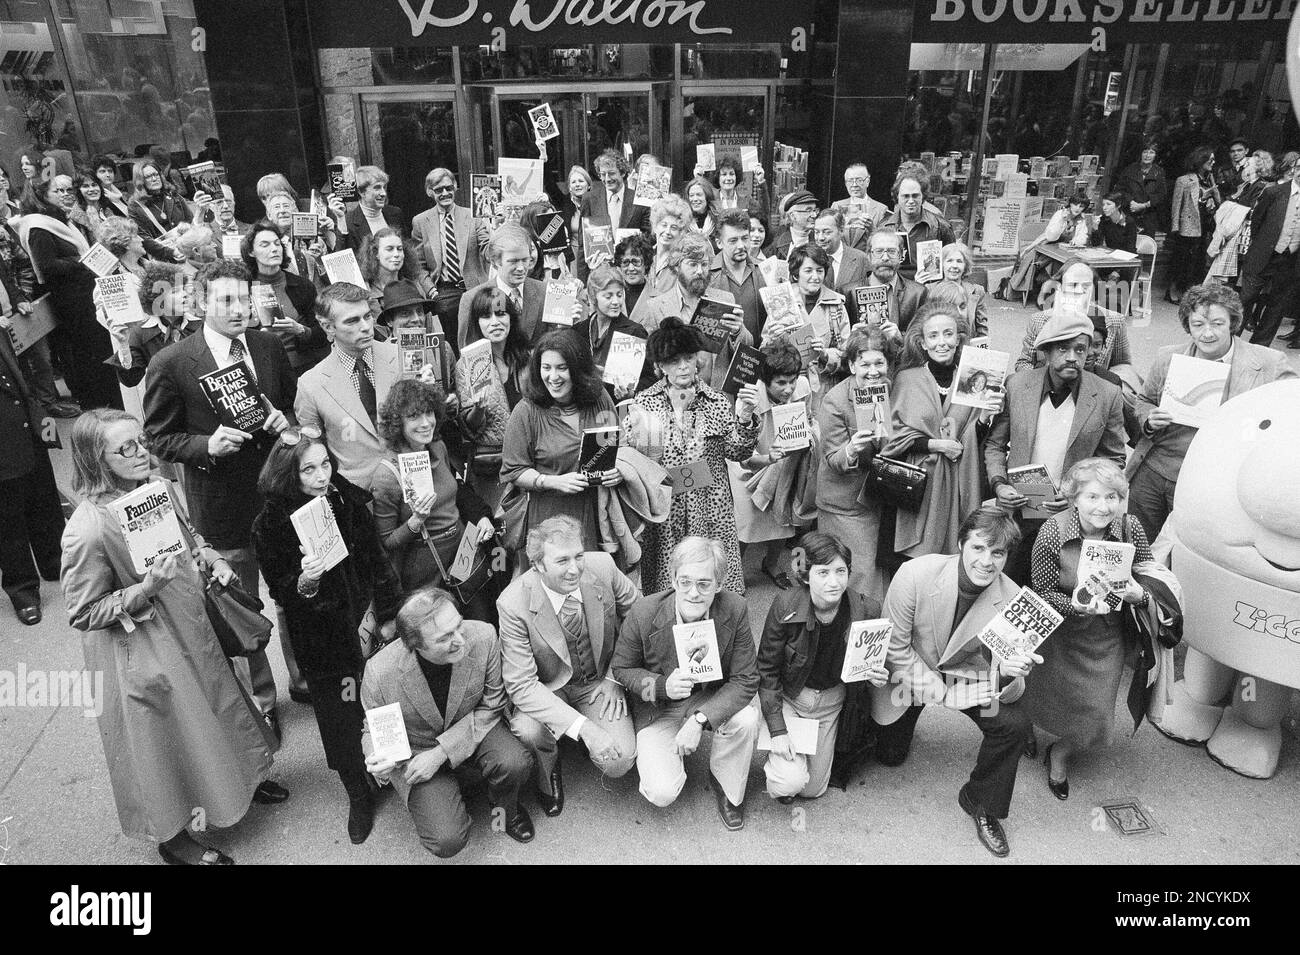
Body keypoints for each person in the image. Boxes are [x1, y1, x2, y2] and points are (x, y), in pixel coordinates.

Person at [61, 409, 286, 865]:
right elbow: (84, 612)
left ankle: (242, 778)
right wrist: (144, 590)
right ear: (95, 459)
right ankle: (174, 840)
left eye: (141, 442)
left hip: (192, 621)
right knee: (170, 738)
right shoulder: (85, 530)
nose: (143, 452)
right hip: (144, 645)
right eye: (126, 448)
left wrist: (211, 559)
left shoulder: (158, 488)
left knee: (221, 700)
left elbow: (191, 537)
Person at [144, 258, 304, 725]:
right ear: (200, 302)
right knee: (239, 605)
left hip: (279, 497)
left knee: (294, 592)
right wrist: (204, 445)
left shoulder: (269, 345)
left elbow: (290, 405)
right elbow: (156, 436)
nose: (238, 309)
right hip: (223, 507)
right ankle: (261, 702)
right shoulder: (171, 363)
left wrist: (285, 423)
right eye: (226, 300)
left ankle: (304, 677)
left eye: (244, 299)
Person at [252, 426, 399, 844]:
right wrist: (306, 581)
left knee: (381, 702)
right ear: (288, 475)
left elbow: (377, 561)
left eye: (325, 464)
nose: (321, 476)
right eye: (308, 470)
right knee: (340, 718)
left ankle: (393, 774)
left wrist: (388, 614)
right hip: (323, 640)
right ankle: (357, 793)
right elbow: (280, 590)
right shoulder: (270, 524)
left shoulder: (346, 500)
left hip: (368, 623)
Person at [876, 506, 1040, 857]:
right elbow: (894, 649)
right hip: (913, 673)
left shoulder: (1013, 600)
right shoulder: (915, 574)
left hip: (969, 678)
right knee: (888, 753)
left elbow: (1010, 693)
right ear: (961, 544)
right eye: (978, 548)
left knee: (1013, 724)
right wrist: (943, 695)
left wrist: (1010, 672)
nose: (987, 561)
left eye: (998, 553)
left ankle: (982, 804)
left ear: (1007, 556)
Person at [362, 588, 537, 856]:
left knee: (514, 762)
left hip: (474, 728)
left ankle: (504, 810)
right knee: (447, 841)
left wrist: (442, 753)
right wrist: (377, 756)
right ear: (414, 644)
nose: (460, 641)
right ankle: (449, 797)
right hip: (417, 751)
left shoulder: (484, 635)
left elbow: (492, 705)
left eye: (458, 626)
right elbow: (373, 728)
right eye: (445, 637)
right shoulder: (379, 671)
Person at [1023, 458, 1155, 800]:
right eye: (1093, 497)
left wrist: (1140, 594)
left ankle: (1061, 754)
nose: (1103, 506)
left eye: (1112, 497)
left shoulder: (1130, 527)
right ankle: (1024, 729)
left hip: (1106, 634)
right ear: (1074, 498)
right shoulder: (1052, 531)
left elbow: (1151, 574)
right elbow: (1042, 591)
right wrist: (1075, 606)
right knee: (1044, 692)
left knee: (1096, 711)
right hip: (1061, 633)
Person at [610, 536, 761, 829]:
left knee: (747, 718)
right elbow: (622, 668)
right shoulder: (644, 610)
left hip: (708, 697)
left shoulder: (735, 608)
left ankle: (727, 786)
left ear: (719, 584)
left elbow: (746, 678)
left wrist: (699, 721)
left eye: (705, 584)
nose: (693, 593)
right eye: (685, 582)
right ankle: (674, 759)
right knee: (661, 792)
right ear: (673, 577)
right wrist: (660, 684)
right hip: (660, 708)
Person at [1127, 283, 1295, 540]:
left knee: (1192, 548)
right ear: (1188, 326)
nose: (1207, 333)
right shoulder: (1167, 357)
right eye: (1198, 324)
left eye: (1217, 323)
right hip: (1156, 469)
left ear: (1232, 323)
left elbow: (1291, 414)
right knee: (1138, 542)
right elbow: (1145, 400)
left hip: (1214, 477)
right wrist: (1149, 418)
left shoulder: (1269, 364)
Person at [499, 516, 640, 815]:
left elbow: (640, 617)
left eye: (578, 556)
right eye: (562, 560)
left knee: (619, 762)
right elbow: (521, 685)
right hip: (549, 689)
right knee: (527, 729)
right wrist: (586, 729)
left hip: (598, 681)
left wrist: (616, 677)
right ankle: (548, 766)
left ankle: (615, 723)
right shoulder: (511, 603)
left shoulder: (602, 566)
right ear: (538, 565)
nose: (575, 568)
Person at [985, 311, 1127, 584]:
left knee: (1056, 587)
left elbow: (1114, 459)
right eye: (1063, 348)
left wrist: (1078, 493)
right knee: (1010, 581)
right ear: (1047, 353)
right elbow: (995, 444)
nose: (1072, 356)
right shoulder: (1018, 385)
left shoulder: (1107, 394)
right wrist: (999, 485)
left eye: (1080, 349)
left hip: (1070, 514)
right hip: (1019, 509)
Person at [623, 318, 760, 595]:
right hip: (666, 508)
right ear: (660, 365)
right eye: (674, 361)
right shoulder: (644, 403)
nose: (683, 366)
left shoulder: (717, 401)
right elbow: (636, 457)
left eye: (688, 358)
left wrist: (745, 419)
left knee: (712, 583)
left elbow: (737, 451)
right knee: (667, 587)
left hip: (711, 507)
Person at [758, 532, 888, 801]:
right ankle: (779, 749)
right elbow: (767, 670)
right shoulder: (786, 605)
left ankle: (803, 755)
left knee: (812, 789)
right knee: (787, 783)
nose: (834, 581)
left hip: (831, 704)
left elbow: (872, 661)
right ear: (805, 576)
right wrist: (778, 730)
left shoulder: (868, 610)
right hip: (792, 699)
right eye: (823, 572)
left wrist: (877, 675)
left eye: (841, 571)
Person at [371, 378, 498, 619]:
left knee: (481, 618)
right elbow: (386, 543)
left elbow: (457, 493)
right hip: (427, 564)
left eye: (429, 413)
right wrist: (415, 522)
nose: (425, 422)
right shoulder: (386, 476)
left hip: (464, 546)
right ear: (397, 423)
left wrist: (480, 518)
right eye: (414, 416)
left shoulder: (438, 447)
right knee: (440, 629)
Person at [499, 328, 619, 550]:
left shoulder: (600, 398)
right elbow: (513, 471)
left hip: (598, 513)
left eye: (562, 368)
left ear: (578, 369)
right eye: (546, 368)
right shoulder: (525, 412)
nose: (553, 377)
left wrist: (617, 471)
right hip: (550, 517)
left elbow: (616, 445)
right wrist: (553, 481)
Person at [882, 302, 982, 559]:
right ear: (923, 343)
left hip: (956, 481)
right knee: (912, 562)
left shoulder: (974, 380)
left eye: (948, 334)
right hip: (917, 482)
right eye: (933, 335)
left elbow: (974, 435)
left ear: (959, 340)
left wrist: (987, 416)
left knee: (948, 560)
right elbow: (892, 436)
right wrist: (935, 445)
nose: (942, 342)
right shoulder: (907, 378)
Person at [16, 176, 122, 411]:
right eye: (59, 191)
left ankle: (108, 399)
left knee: (98, 347)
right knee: (87, 352)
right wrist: (82, 261)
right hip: (71, 300)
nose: (67, 194)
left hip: (85, 293)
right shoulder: (38, 226)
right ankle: (97, 404)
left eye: (69, 189)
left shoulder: (62, 220)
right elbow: (47, 266)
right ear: (42, 195)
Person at [816, 327, 899, 601]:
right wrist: (851, 449)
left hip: (877, 499)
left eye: (879, 363)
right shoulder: (835, 401)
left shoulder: (889, 390)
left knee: (875, 573)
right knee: (855, 577)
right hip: (844, 505)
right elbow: (832, 459)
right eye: (865, 364)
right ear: (852, 365)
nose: (873, 371)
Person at [295, 281, 402, 487]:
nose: (366, 327)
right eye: (352, 321)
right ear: (328, 327)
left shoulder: (400, 358)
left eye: (367, 316)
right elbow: (313, 452)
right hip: (359, 496)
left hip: (410, 486)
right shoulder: (311, 385)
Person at [731, 340, 811, 588]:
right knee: (747, 521)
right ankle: (733, 572)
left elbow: (810, 418)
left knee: (783, 519)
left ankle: (772, 564)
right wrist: (768, 459)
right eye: (781, 383)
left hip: (785, 461)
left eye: (793, 380)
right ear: (765, 381)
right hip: (750, 466)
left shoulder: (804, 387)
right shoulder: (749, 398)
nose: (789, 389)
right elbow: (743, 454)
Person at [629, 232, 751, 389]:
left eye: (704, 264)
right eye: (693, 264)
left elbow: (747, 348)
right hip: (676, 400)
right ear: (677, 266)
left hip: (718, 399)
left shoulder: (725, 299)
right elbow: (650, 362)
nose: (700, 271)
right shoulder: (656, 307)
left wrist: (737, 331)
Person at [0, 327, 62, 625]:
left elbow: (25, 376)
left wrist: (45, 424)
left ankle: (55, 562)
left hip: (30, 430)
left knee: (44, 501)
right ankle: (22, 590)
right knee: (7, 520)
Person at [454, 285, 529, 508]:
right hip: (491, 468)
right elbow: (469, 427)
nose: (495, 322)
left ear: (511, 317)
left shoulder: (528, 358)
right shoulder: (466, 366)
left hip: (529, 459)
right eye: (486, 316)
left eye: (501, 313)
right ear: (477, 323)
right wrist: (478, 409)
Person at [1014, 259, 1135, 386]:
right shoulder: (1039, 320)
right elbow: (1024, 362)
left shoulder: (1115, 321)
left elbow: (1122, 364)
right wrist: (1037, 385)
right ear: (1059, 287)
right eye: (1073, 285)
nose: (1079, 291)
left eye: (1086, 286)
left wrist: (1110, 389)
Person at [411, 168, 491, 350]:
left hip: (475, 288)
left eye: (448, 188)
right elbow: (418, 265)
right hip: (445, 293)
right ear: (430, 192)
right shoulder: (421, 222)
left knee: (480, 341)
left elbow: (488, 251)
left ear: (455, 187)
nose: (445, 193)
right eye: (439, 190)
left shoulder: (473, 216)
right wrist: (431, 291)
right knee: (454, 345)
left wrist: (494, 227)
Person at [763, 243, 850, 407]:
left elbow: (847, 353)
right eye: (808, 271)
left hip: (825, 386)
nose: (815, 277)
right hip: (788, 387)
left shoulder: (836, 304)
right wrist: (774, 338)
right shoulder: (781, 300)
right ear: (796, 274)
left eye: (820, 270)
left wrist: (825, 354)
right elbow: (764, 350)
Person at [241, 219, 326, 373]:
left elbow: (324, 332)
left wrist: (300, 330)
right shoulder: (242, 288)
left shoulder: (302, 286)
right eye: (265, 245)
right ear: (251, 252)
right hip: (262, 367)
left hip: (303, 366)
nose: (274, 249)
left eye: (277, 243)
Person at [106, 261, 201, 391]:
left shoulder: (202, 324)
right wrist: (123, 345)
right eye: (175, 291)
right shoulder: (140, 333)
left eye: (184, 289)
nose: (184, 294)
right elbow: (131, 379)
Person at [455, 224, 545, 350]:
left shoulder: (544, 292)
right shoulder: (471, 299)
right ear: (496, 261)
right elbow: (468, 354)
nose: (521, 268)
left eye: (525, 260)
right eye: (513, 261)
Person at [1237, 172, 1300, 346]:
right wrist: (1262, 246)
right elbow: (1257, 221)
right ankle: (1231, 342)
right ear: (1294, 170)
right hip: (1264, 255)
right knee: (1247, 298)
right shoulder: (1274, 192)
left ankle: (1260, 347)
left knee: (1277, 305)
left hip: (1291, 259)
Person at [578, 263, 650, 397]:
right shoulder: (579, 330)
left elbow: (649, 379)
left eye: (619, 295)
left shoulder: (633, 331)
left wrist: (631, 393)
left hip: (619, 410)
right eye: (608, 296)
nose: (616, 301)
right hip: (584, 407)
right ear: (594, 297)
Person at [1006, 193, 1091, 300]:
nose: (1078, 208)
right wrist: (1062, 221)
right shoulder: (1060, 214)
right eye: (1075, 204)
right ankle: (1051, 288)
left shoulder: (1081, 219)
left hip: (1066, 250)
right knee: (1041, 261)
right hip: (1048, 246)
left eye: (1081, 206)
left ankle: (1062, 291)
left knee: (1076, 263)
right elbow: (1051, 236)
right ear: (1070, 204)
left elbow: (1083, 236)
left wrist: (1076, 241)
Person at [1167, 146, 1221, 304]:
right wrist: (1175, 227)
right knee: (1181, 260)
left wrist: (1213, 190)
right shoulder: (1184, 180)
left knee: (1196, 261)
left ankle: (1188, 291)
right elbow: (1176, 205)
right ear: (1200, 160)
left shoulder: (1210, 179)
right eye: (1210, 160)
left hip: (1204, 225)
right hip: (1187, 226)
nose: (1213, 162)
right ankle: (1172, 289)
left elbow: (1219, 203)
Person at [877, 174, 955, 282]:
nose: (910, 201)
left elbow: (951, 263)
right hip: (895, 289)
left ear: (923, 196)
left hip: (929, 290)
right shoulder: (884, 227)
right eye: (905, 196)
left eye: (915, 196)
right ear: (897, 197)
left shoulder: (941, 226)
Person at [709, 208, 768, 342]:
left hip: (757, 357)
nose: (741, 245)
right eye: (733, 240)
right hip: (719, 358)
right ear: (719, 242)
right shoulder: (706, 274)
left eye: (745, 238)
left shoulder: (765, 271)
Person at [848, 229, 924, 333]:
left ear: (901, 255)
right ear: (869, 256)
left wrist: (901, 338)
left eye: (891, 251)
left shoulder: (918, 294)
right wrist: (851, 338)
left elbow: (923, 337)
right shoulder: (848, 293)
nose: (885, 258)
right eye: (879, 251)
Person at [359, 226, 432, 321]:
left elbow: (427, 322)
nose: (396, 254)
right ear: (375, 253)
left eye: (399, 249)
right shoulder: (366, 290)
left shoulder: (414, 286)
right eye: (389, 249)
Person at [126, 158, 190, 262]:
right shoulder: (135, 205)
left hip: (188, 249)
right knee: (180, 278)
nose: (154, 178)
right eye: (148, 177)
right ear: (140, 181)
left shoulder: (172, 194)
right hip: (165, 259)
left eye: (156, 174)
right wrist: (172, 253)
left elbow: (189, 219)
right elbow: (143, 239)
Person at [923, 242, 989, 340]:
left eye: (959, 261)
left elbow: (982, 329)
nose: (954, 266)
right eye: (949, 261)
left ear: (965, 266)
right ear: (941, 264)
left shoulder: (976, 291)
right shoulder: (928, 289)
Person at [637, 194, 692, 304]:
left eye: (674, 228)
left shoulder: (682, 262)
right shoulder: (644, 255)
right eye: (664, 225)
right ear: (655, 226)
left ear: (681, 232)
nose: (667, 231)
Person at [580, 149, 649, 235]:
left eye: (612, 173)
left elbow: (647, 236)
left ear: (623, 173)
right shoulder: (589, 199)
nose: (607, 179)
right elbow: (583, 240)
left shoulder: (639, 199)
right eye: (603, 174)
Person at [345, 165, 405, 251]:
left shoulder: (395, 213)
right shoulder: (349, 222)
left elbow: (406, 250)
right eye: (377, 188)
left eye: (384, 187)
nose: (383, 193)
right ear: (362, 192)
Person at [831, 162, 889, 251]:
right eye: (850, 180)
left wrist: (872, 229)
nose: (854, 185)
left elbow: (885, 243)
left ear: (867, 181)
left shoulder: (881, 209)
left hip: (866, 260)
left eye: (859, 180)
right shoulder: (837, 206)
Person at [1115, 141, 1169, 236]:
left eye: (1151, 152)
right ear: (1140, 154)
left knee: (1145, 246)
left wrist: (1143, 206)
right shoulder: (1130, 169)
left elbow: (1162, 195)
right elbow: (1120, 189)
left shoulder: (1159, 172)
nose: (1147, 155)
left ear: (1155, 155)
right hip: (1129, 214)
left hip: (1148, 217)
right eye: (1145, 152)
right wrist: (1131, 202)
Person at [813, 209, 871, 294]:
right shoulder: (809, 259)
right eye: (817, 232)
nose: (820, 238)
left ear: (841, 231)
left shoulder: (861, 259)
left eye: (827, 232)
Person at [74, 168, 130, 235]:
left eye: (94, 185)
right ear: (78, 191)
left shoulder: (105, 208)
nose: (92, 189)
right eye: (85, 186)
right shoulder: (77, 218)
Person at [768, 190, 818, 258]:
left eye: (815, 210)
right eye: (808, 210)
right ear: (792, 216)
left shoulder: (819, 241)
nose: (814, 215)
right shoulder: (777, 245)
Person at [615, 231, 654, 316]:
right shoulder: (612, 294)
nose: (631, 268)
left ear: (646, 264)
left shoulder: (658, 299)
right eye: (625, 262)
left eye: (636, 262)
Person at [684, 176, 719, 250]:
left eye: (699, 195)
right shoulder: (684, 221)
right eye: (691, 195)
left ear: (707, 196)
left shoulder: (717, 219)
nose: (695, 199)